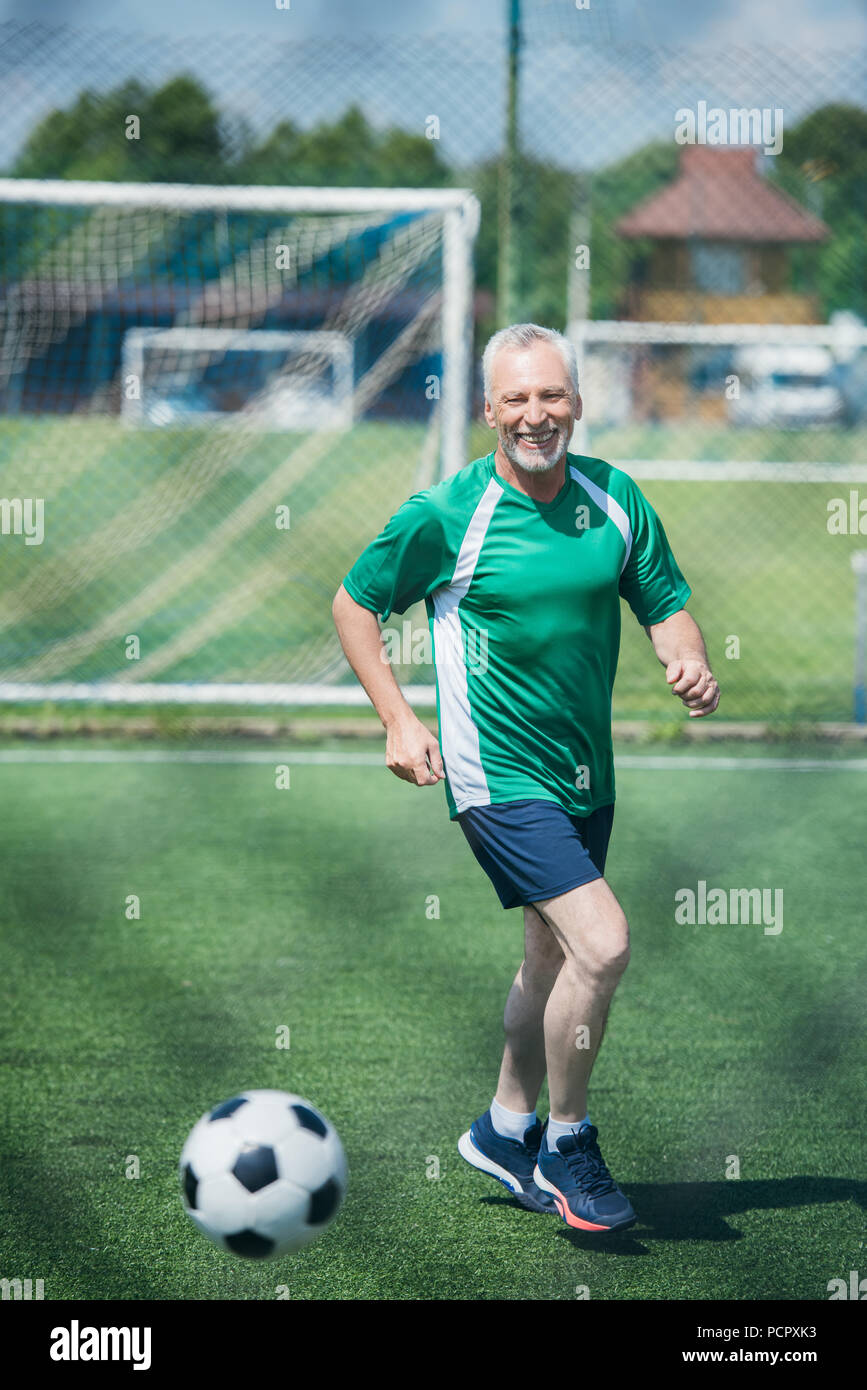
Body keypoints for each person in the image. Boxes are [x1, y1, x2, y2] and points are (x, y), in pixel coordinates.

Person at [332, 323, 720, 1232]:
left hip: (586, 773)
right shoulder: (443, 514)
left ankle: (504, 1127)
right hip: (494, 773)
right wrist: (397, 717)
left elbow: (667, 607)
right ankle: (567, 1143)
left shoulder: (614, 497)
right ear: (487, 410)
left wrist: (689, 659)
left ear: (577, 403)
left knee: (548, 954)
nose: (535, 415)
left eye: (551, 396)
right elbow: (354, 605)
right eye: (516, 398)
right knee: (605, 942)